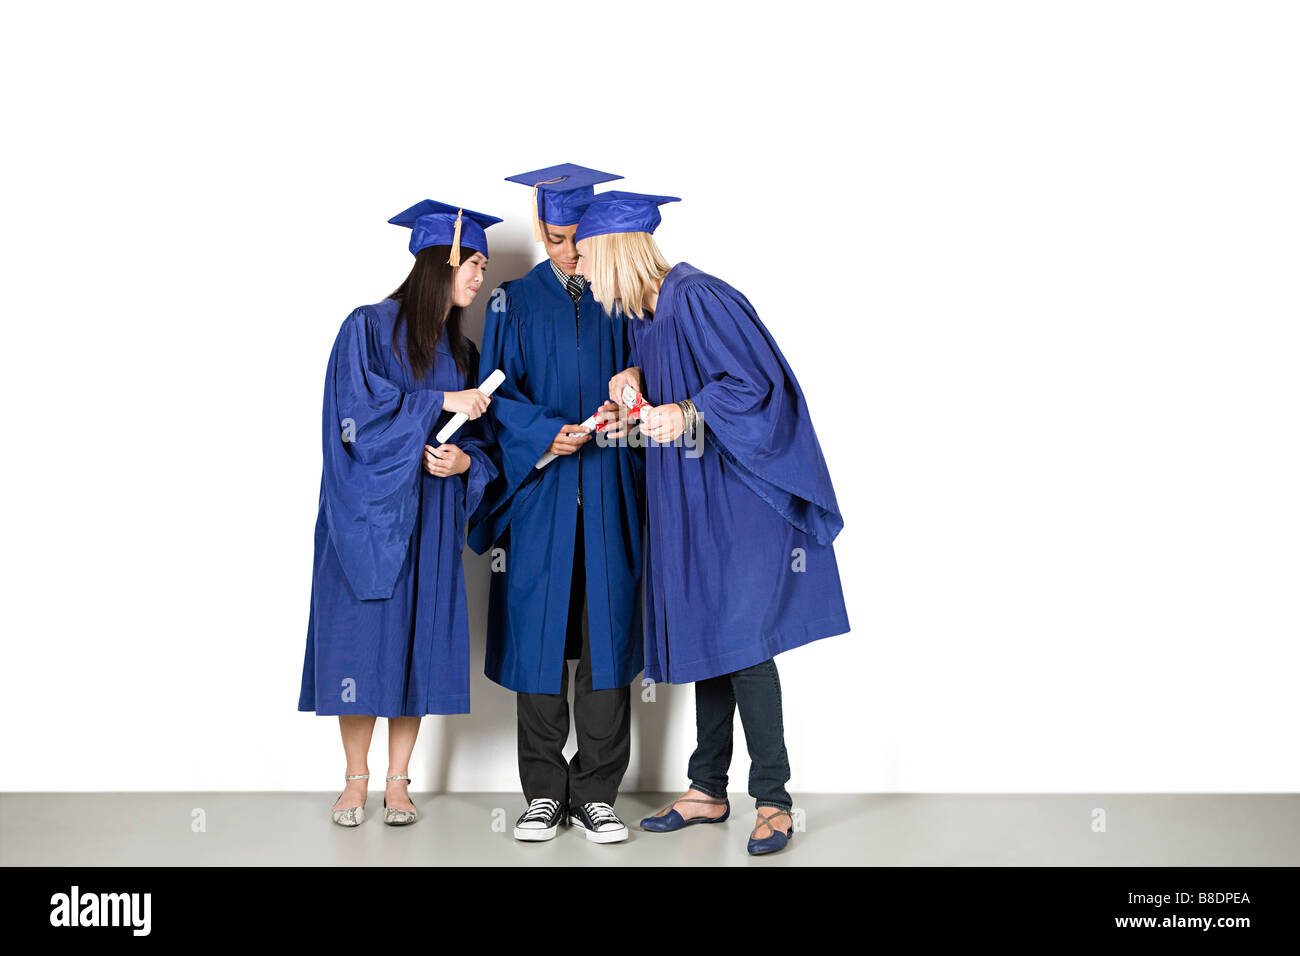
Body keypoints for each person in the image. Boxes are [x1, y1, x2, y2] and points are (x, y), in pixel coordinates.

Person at [574, 191, 850, 856]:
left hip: (735, 496)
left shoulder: (696, 294)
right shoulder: (647, 312)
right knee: (706, 633)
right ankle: (707, 788)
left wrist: (692, 410)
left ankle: (776, 800)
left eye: (583, 254)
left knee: (746, 642)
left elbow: (757, 382)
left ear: (614, 251)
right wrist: (635, 379)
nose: (579, 268)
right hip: (687, 495)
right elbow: (670, 378)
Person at [299, 199, 501, 828]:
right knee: (361, 643)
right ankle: (355, 779)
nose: (479, 276)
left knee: (418, 638)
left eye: (483, 266)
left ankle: (398, 782)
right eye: (471, 262)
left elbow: (479, 443)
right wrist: (438, 402)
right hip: (365, 514)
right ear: (438, 262)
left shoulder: (465, 353)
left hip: (433, 515)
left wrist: (464, 465)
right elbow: (356, 417)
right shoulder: (366, 327)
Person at [468, 164, 645, 844]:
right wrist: (545, 434)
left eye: (578, 237)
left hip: (607, 485)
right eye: (557, 236)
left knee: (607, 633)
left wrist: (621, 406)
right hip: (540, 490)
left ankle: (598, 791)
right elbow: (493, 395)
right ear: (540, 227)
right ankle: (544, 792)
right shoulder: (513, 301)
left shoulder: (619, 296)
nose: (569, 251)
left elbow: (645, 381)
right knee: (539, 635)